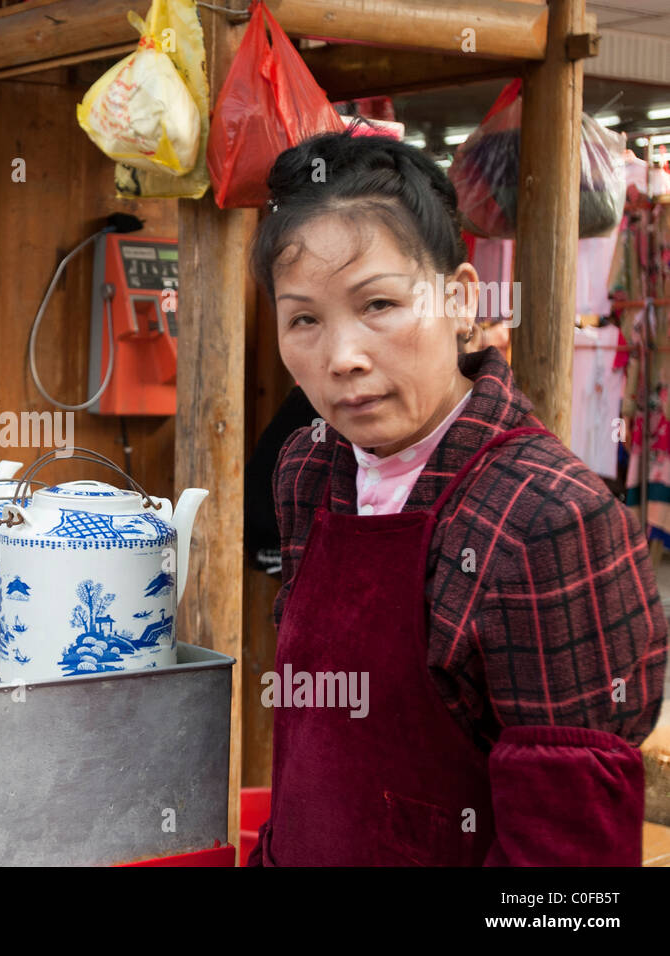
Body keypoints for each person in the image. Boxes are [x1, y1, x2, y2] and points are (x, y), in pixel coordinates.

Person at [247, 131, 666, 867]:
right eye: (304, 318)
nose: (342, 357)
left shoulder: (550, 520)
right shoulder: (308, 469)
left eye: (378, 303)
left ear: (462, 297)